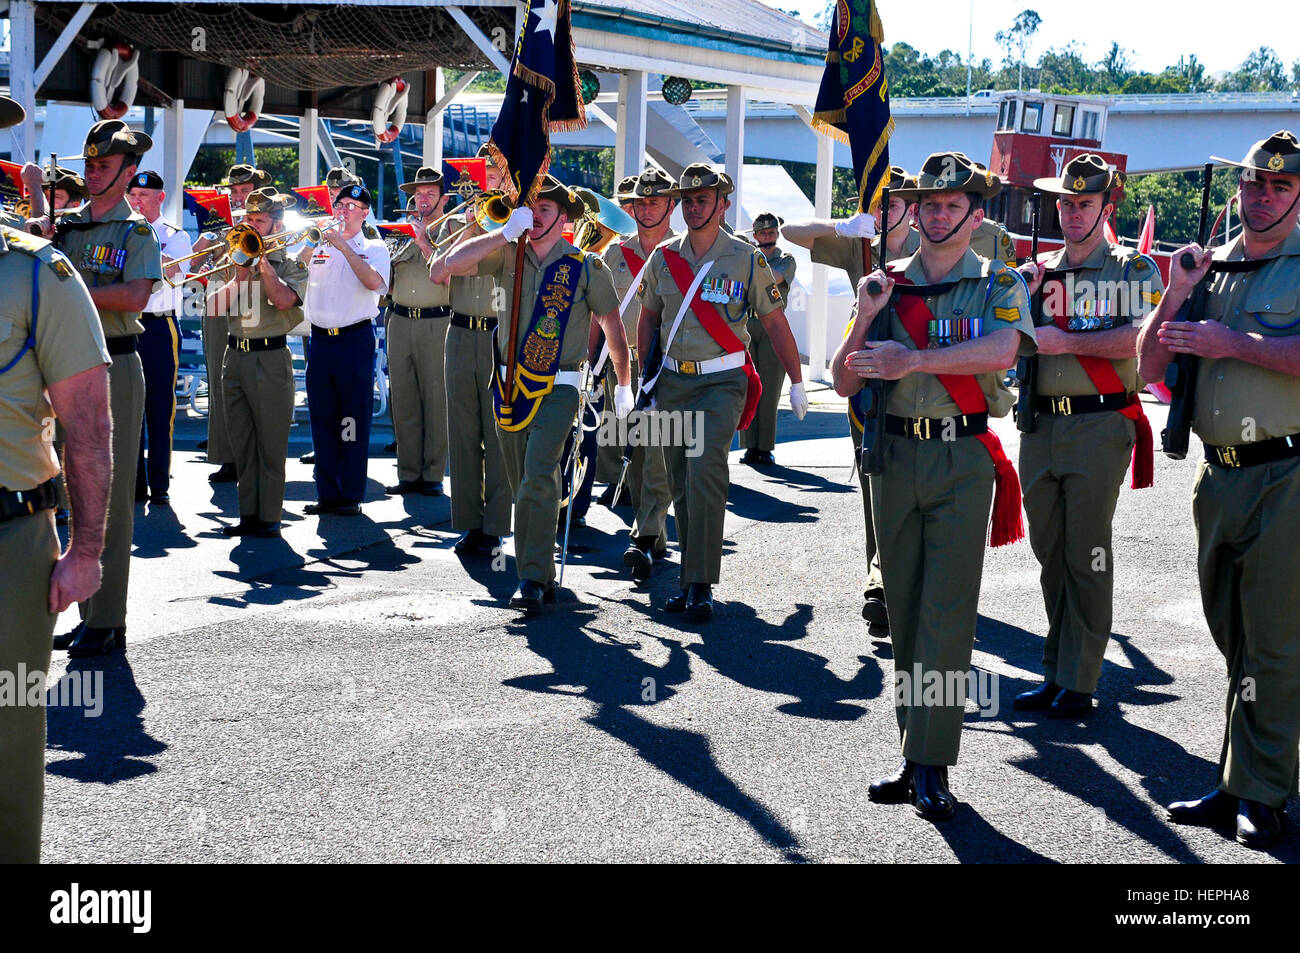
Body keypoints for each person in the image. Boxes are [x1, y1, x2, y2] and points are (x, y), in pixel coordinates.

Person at [832, 151, 1035, 821]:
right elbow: (844, 380)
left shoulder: (998, 282)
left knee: (947, 614)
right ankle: (911, 752)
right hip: (894, 458)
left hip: (960, 460)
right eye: (928, 203)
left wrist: (912, 358)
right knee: (907, 611)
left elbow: (1004, 352)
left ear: (976, 214)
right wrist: (865, 318)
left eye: (951, 205)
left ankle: (934, 762)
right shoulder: (885, 283)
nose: (937, 214)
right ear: (912, 211)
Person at [1138, 130, 1300, 849]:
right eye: (1252, 184)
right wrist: (1174, 291)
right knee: (1234, 636)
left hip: (1286, 472)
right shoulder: (1211, 266)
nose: (1261, 196)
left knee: (1273, 640)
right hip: (1219, 472)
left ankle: (1262, 794)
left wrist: (1236, 345)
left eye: (1279, 186)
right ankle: (1240, 778)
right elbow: (1146, 366)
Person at [0, 93, 112, 866]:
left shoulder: (40, 274)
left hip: (9, 545)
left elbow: (88, 427)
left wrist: (86, 547)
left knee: (7, 745)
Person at [437, 175, 633, 609]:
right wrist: (501, 233)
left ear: (564, 219)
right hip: (507, 384)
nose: (536, 216)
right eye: (532, 208)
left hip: (559, 386)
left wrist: (623, 384)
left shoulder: (585, 265)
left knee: (539, 474)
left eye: (545, 210)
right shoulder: (508, 253)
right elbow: (446, 266)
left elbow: (613, 326)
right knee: (520, 479)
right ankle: (541, 572)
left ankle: (529, 579)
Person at [1013, 154, 1162, 718]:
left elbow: (1143, 341)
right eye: (1067, 204)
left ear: (1106, 207)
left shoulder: (1131, 271)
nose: (1074, 213)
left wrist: (1067, 343)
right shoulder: (1039, 272)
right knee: (1050, 551)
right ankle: (1056, 669)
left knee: (1087, 551)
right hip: (1040, 422)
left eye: (1085, 204)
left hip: (1100, 423)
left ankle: (1080, 679)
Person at [638, 163, 809, 621]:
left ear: (723, 203)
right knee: (678, 478)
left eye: (703, 200)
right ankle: (690, 578)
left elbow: (774, 321)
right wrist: (643, 378)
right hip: (673, 381)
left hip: (721, 382)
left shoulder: (747, 258)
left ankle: (700, 583)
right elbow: (649, 316)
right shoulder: (664, 258)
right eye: (688, 201)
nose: (694, 208)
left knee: (705, 472)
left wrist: (795, 380)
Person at [784, 166, 913, 633]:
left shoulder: (930, 248)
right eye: (877, 205)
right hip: (865, 378)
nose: (882, 214)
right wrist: (843, 226)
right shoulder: (861, 245)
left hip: (917, 379)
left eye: (892, 205)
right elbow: (788, 231)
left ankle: (912, 581)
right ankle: (879, 583)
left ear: (911, 210)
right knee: (873, 481)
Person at [51, 119, 162, 658]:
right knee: (69, 492)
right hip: (62, 364)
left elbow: (137, 295)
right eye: (89, 165)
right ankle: (86, 608)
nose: (93, 174)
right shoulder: (64, 228)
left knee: (110, 495)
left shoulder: (135, 232)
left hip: (114, 365)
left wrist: (73, 291)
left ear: (128, 172)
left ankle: (108, 618)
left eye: (104, 166)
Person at [206, 187, 309, 537]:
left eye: (259, 220)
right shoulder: (231, 257)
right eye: (248, 219)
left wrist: (263, 265)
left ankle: (269, 517)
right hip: (234, 356)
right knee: (242, 441)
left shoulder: (290, 264)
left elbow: (284, 302)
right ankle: (248, 515)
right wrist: (239, 278)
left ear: (275, 224)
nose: (251, 225)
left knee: (270, 442)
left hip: (270, 357)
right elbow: (213, 308)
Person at [430, 148, 512, 557]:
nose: (488, 183)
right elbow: (436, 273)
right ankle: (468, 521)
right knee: (462, 432)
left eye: (495, 175)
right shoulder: (460, 223)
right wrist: (467, 230)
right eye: (484, 177)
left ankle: (496, 525)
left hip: (500, 335)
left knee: (498, 433)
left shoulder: (515, 225)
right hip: (461, 333)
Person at [600, 168, 677, 579]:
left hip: (665, 364)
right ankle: (656, 534)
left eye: (655, 201)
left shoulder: (685, 253)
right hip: (622, 364)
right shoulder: (614, 254)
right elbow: (602, 312)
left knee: (658, 452)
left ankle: (644, 536)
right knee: (633, 450)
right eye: (640, 202)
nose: (646, 209)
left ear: (672, 205)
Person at [301, 183, 390, 516]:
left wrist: (344, 247)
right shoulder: (321, 243)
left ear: (365, 213)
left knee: (352, 418)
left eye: (353, 205)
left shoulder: (374, 247)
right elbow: (298, 269)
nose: (344, 210)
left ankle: (350, 493)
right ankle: (326, 492)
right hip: (320, 340)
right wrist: (314, 243)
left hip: (354, 340)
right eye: (341, 204)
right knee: (322, 418)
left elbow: (373, 283)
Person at [126, 169, 192, 506]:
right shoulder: (122, 232)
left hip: (159, 326)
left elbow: (176, 270)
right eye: (132, 196)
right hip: (127, 323)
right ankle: (135, 483)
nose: (136, 201)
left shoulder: (175, 235)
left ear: (160, 198)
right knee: (129, 406)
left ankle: (160, 482)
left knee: (160, 405)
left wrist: (145, 245)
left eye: (143, 196)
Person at [203, 164, 273, 481]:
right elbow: (193, 263)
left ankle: (253, 453)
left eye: (245, 191)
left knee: (252, 385)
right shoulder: (219, 223)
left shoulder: (265, 221)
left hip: (252, 303)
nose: (240, 197)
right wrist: (210, 236)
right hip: (220, 299)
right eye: (236, 192)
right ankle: (226, 454)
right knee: (219, 379)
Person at [386, 167, 451, 497]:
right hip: (399, 319)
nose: (421, 200)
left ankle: (433, 474)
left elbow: (452, 279)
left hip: (437, 322)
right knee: (404, 398)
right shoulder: (399, 231)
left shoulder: (453, 232)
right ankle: (408, 474)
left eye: (429, 194)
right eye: (417, 195)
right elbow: (384, 281)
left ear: (444, 199)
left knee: (435, 399)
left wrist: (423, 241)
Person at [297, 165, 363, 466]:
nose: (336, 198)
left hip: (349, 328)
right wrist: (313, 240)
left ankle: (346, 459)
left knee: (347, 402)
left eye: (341, 192)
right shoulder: (317, 230)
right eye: (332, 193)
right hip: (319, 325)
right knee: (321, 398)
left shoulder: (366, 232)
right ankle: (322, 447)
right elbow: (298, 268)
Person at [740, 211, 798, 466]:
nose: (767, 237)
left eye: (771, 233)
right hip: (747, 323)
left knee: (770, 387)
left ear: (777, 234)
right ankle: (749, 446)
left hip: (772, 324)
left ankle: (765, 447)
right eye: (762, 233)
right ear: (756, 235)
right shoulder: (747, 257)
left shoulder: (786, 259)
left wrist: (751, 258)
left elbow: (774, 277)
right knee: (747, 386)